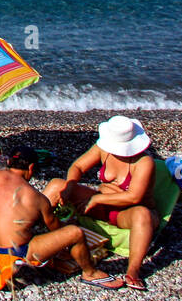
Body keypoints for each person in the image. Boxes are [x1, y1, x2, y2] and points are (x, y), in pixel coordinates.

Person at [0, 145, 123, 290]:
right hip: (15, 252)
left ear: (8, 162)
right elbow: (54, 227)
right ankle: (91, 273)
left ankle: (16, 268)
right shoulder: (37, 198)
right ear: (31, 167)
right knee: (75, 233)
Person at [44, 116, 158, 291]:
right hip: (101, 205)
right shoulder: (104, 149)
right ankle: (25, 228)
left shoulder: (144, 162)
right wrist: (70, 185)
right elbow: (78, 167)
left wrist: (97, 198)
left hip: (127, 212)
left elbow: (134, 197)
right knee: (56, 185)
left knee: (142, 214)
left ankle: (133, 270)